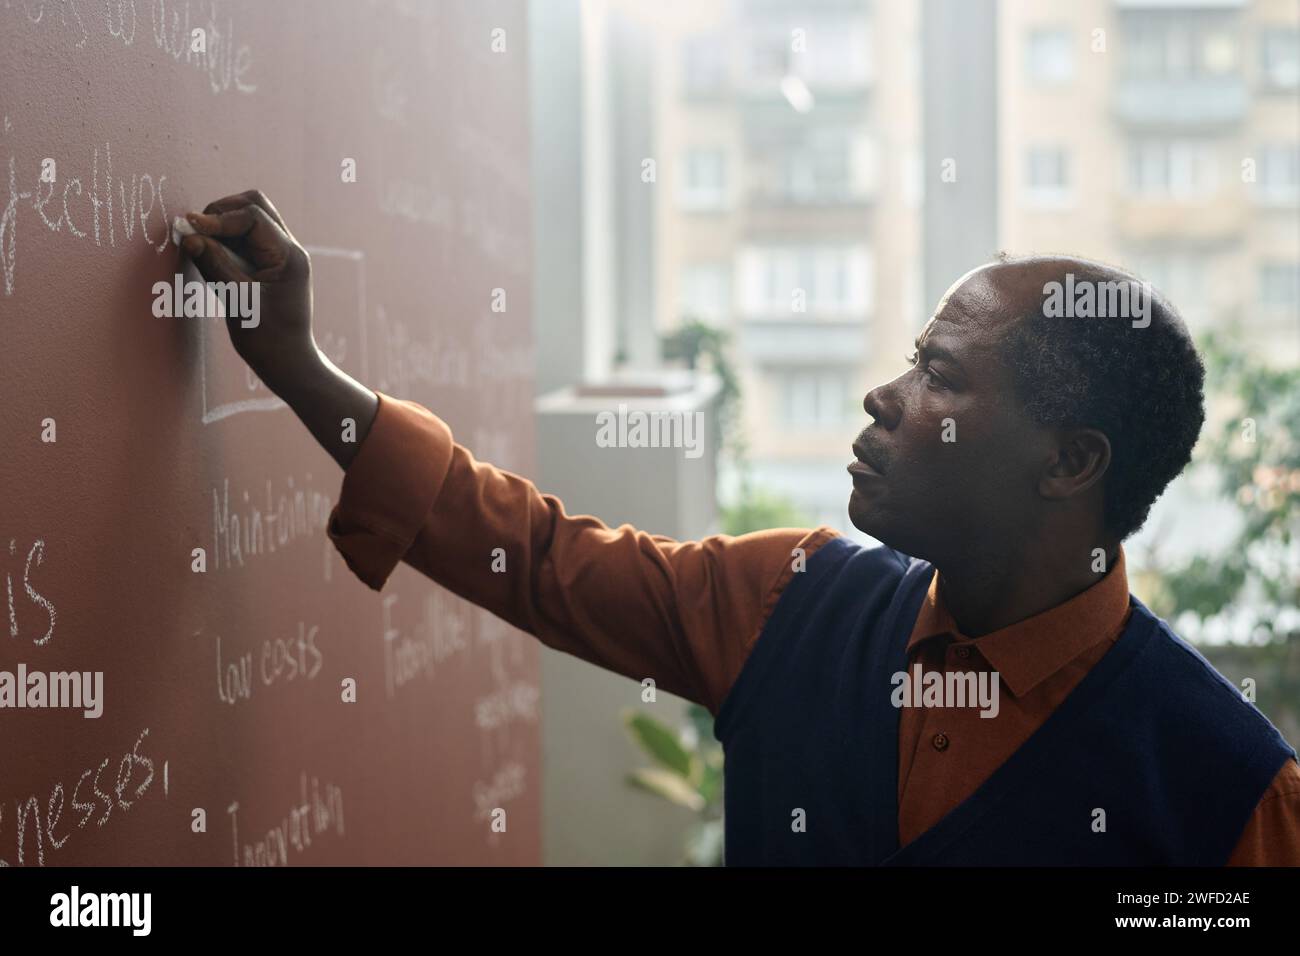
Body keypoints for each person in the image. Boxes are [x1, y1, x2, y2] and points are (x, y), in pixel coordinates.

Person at [178, 189, 1300, 866]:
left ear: (1070, 462)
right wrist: (296, 365)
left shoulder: (1233, 790)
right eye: (910, 358)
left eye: (942, 375)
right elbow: (534, 553)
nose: (884, 394)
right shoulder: (790, 602)